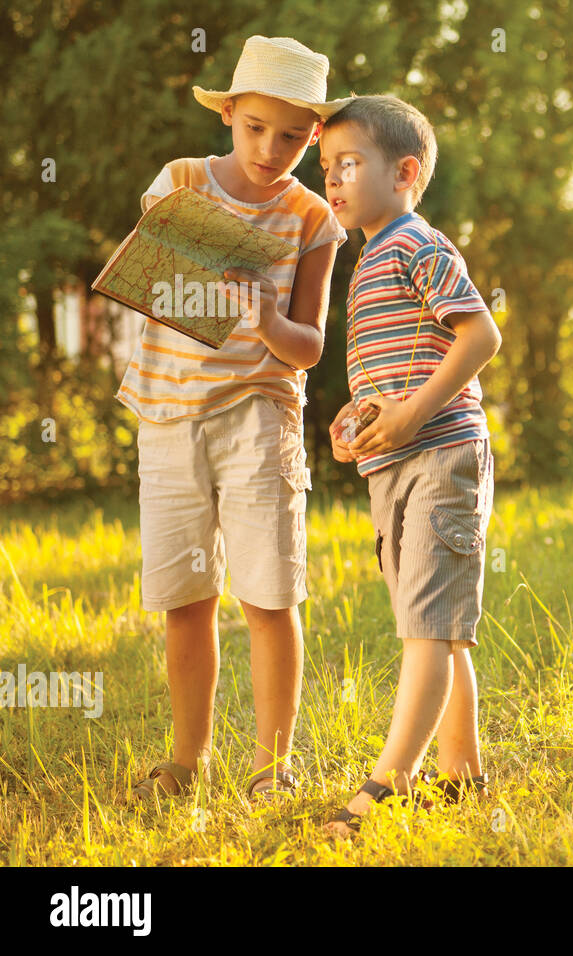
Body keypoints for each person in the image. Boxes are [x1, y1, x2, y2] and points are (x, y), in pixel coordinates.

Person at [120, 35, 349, 803]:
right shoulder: (181, 180)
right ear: (228, 115)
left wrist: (264, 318)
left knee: (268, 596)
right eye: (255, 127)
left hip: (260, 416)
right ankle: (189, 759)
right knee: (186, 602)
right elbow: (153, 265)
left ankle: (271, 765)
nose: (270, 148)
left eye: (291, 135)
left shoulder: (312, 217)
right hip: (168, 414)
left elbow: (310, 345)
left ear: (314, 135)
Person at [319, 94, 502, 837]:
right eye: (325, 167)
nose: (332, 180)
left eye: (348, 163)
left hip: (443, 453)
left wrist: (415, 412)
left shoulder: (417, 245)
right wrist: (356, 418)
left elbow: (480, 335)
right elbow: (387, 372)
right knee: (440, 628)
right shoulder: (365, 262)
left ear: (404, 172)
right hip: (395, 463)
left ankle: (386, 785)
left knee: (426, 629)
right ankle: (461, 776)